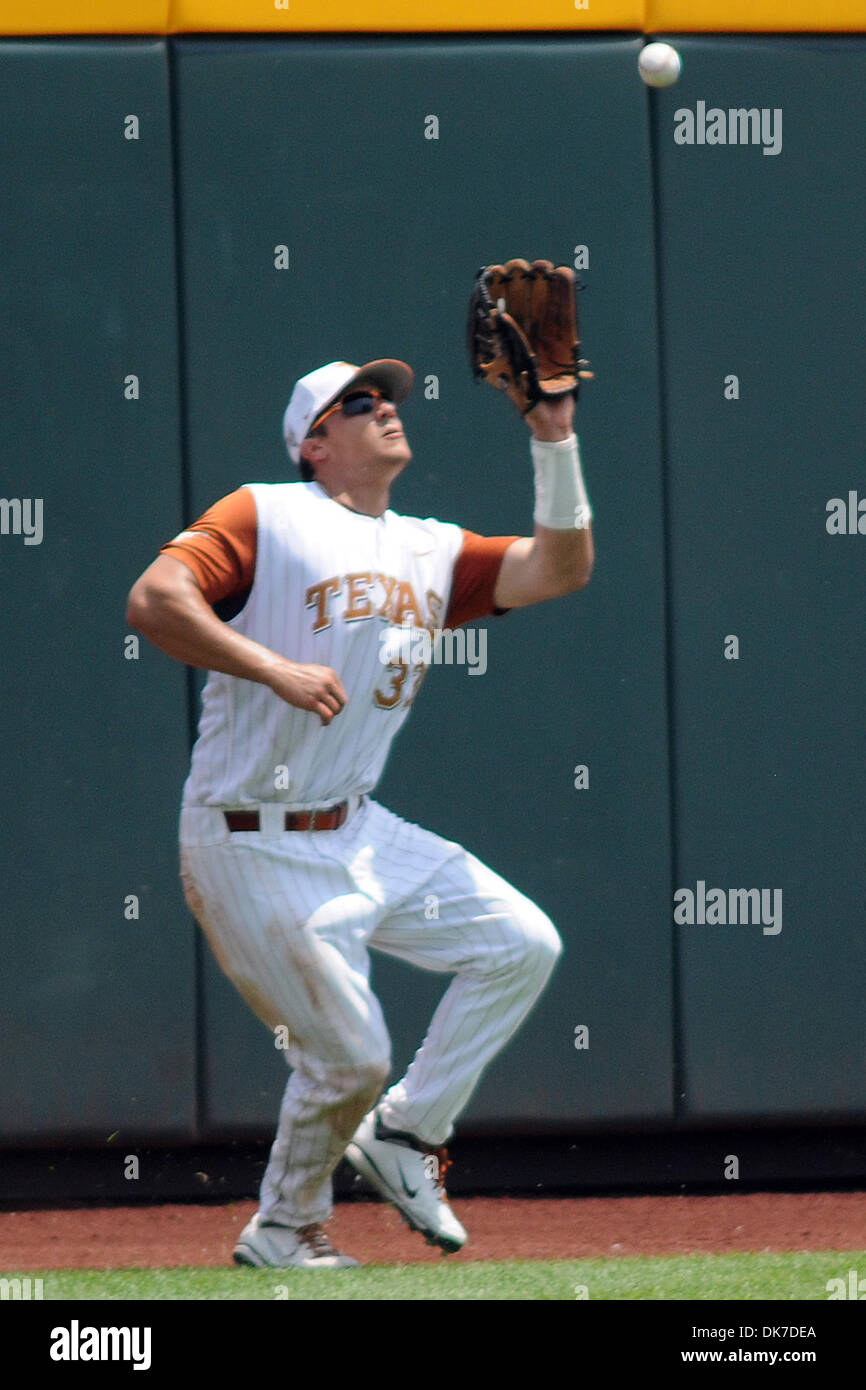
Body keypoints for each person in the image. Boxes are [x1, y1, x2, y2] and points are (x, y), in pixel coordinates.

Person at [126, 357, 594, 1269]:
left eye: (390, 400)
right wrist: (271, 666)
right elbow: (154, 600)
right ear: (314, 442)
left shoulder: (426, 547)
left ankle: (407, 1136)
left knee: (521, 944)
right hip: (246, 837)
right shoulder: (268, 511)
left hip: (355, 827)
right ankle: (286, 1229)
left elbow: (558, 570)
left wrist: (554, 436)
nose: (385, 410)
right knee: (350, 1058)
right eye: (360, 403)